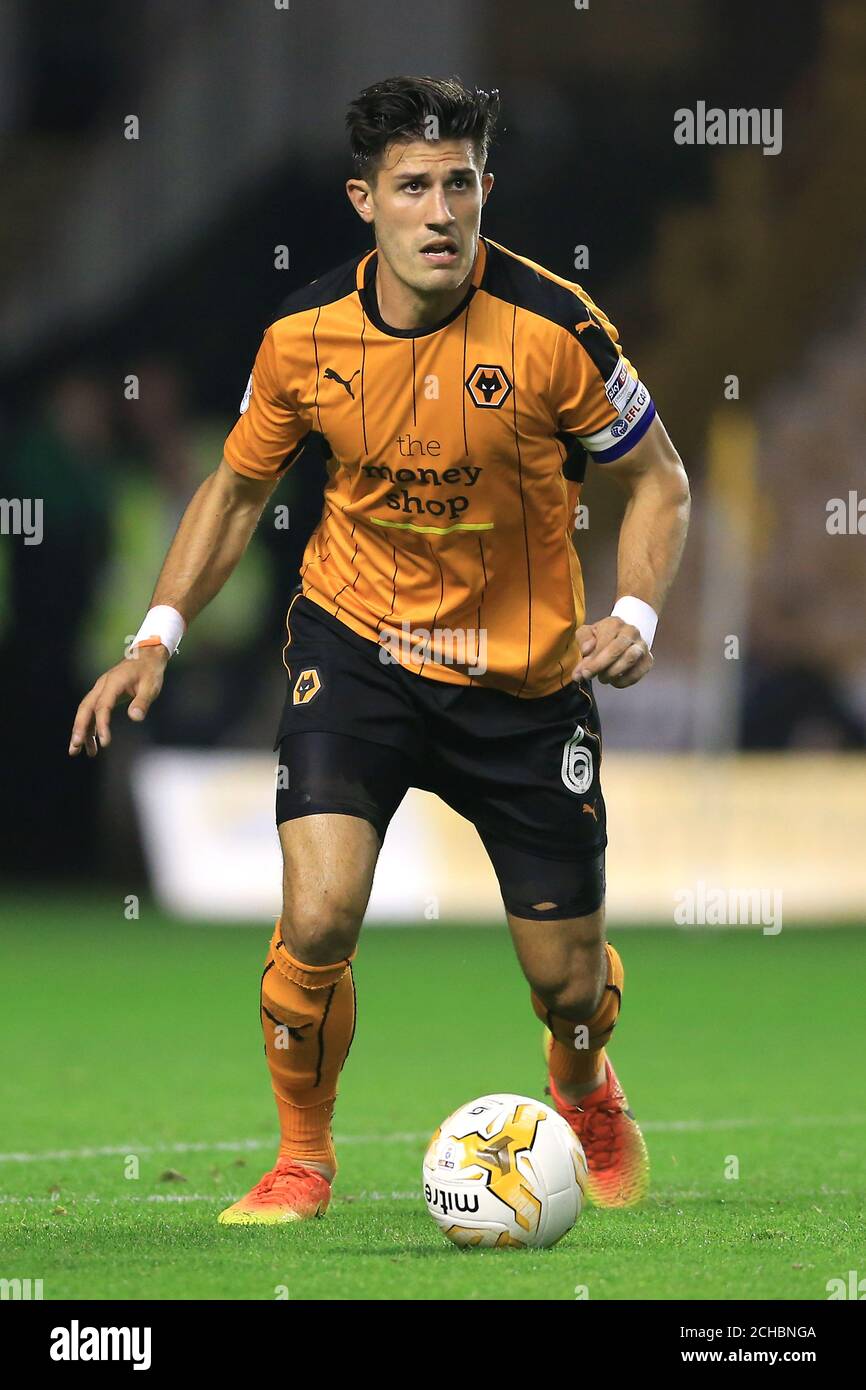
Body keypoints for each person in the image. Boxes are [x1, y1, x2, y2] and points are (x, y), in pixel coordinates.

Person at [69, 75, 691, 1224]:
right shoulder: (302, 338)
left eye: (459, 182)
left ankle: (581, 1080)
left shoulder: (556, 329)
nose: (440, 210)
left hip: (523, 683)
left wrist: (638, 612)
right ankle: (301, 1157)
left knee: (564, 985)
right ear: (366, 200)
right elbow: (234, 489)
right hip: (357, 651)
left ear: (485, 189)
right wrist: (155, 633)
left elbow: (658, 478)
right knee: (316, 916)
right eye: (413, 186)